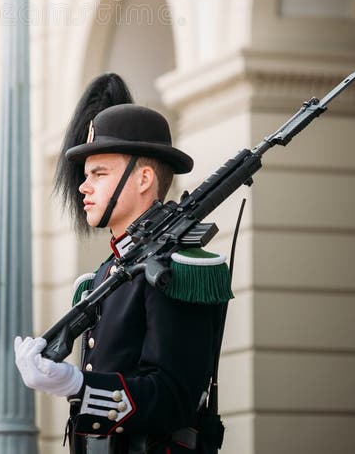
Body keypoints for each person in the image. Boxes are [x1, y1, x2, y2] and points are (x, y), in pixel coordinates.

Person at [14, 74, 231, 453]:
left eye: (99, 174)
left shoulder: (177, 269)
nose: (84, 186)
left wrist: (78, 385)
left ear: (144, 178)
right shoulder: (103, 275)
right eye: (86, 176)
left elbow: (172, 397)